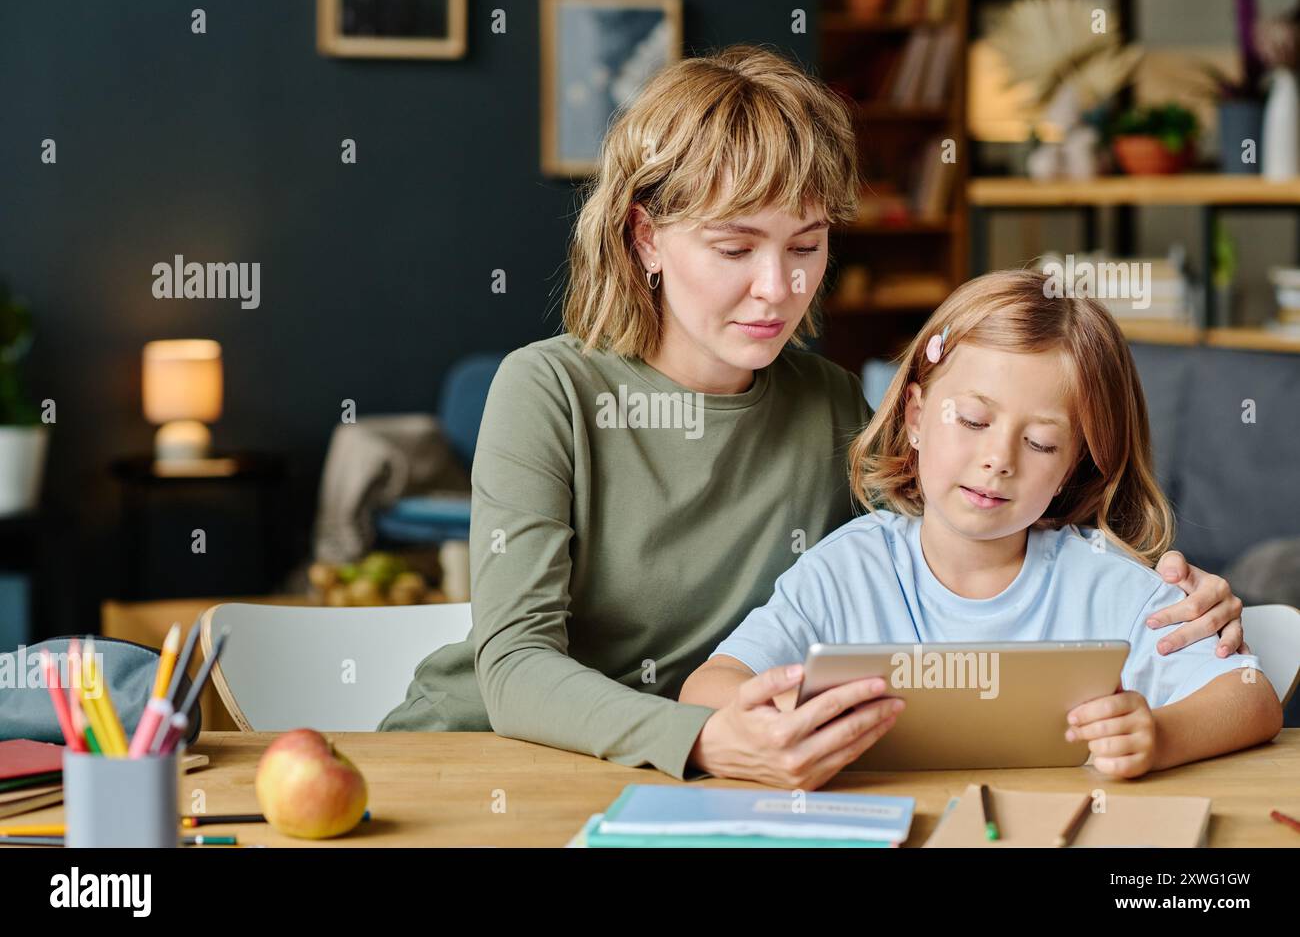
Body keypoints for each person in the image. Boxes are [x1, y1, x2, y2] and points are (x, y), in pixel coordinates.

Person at [380, 46, 1248, 787]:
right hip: (492, 758)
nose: (779, 289)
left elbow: (942, 550)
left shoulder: (831, 402)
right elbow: (515, 665)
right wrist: (704, 740)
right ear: (645, 238)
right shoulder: (548, 392)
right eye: (734, 248)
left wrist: (1174, 603)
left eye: (805, 246)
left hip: (707, 776)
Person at [682, 270, 1282, 786]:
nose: (999, 460)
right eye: (971, 420)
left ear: (1073, 466)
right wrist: (778, 713)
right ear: (916, 418)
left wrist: (1161, 735)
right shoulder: (847, 570)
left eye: (1040, 442)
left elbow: (1252, 693)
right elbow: (707, 686)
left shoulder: (1106, 582)